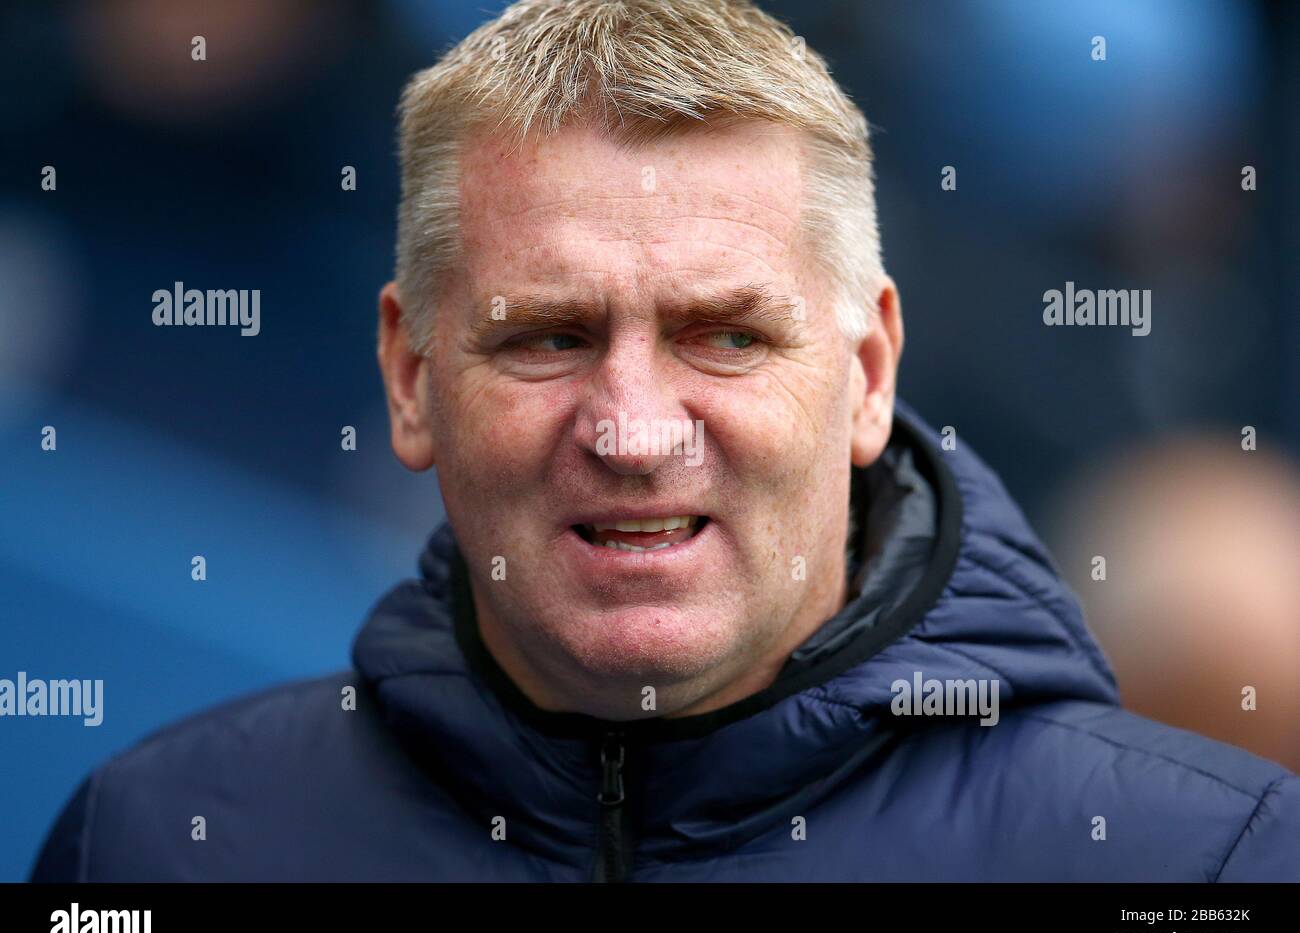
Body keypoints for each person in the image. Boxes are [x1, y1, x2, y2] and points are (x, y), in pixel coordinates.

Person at [32, 0, 1298, 882]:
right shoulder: (149, 837)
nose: (635, 429)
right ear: (412, 372)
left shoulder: (1199, 849)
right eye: (549, 337)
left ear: (868, 375)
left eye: (723, 337)